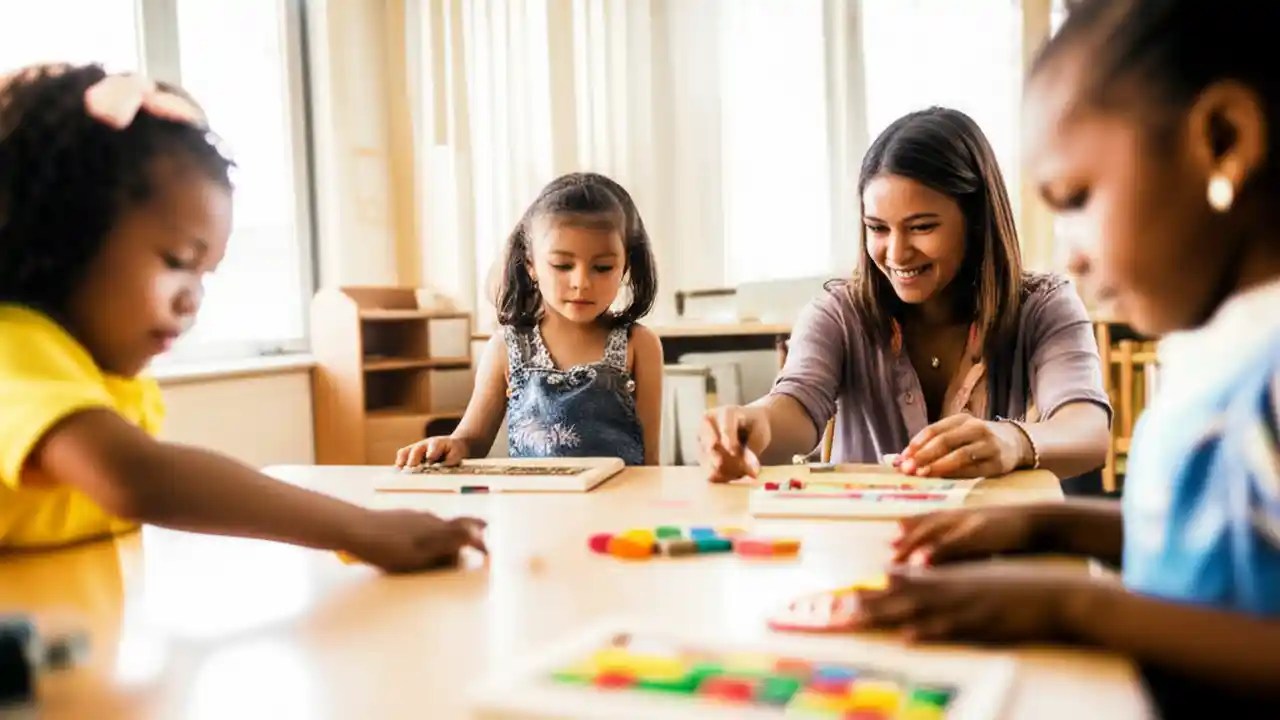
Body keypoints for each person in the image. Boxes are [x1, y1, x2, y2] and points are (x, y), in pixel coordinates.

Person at [854, 0, 1280, 712]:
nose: (1073, 251)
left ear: (1223, 138)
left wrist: (1077, 608)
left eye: (1078, 197)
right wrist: (1049, 524)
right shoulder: (1215, 340)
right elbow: (1216, 548)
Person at [0, 64, 484, 571]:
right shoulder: (15, 346)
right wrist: (361, 527)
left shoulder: (104, 380)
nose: (192, 302)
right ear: (70, 233)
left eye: (206, 276)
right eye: (177, 262)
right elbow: (138, 477)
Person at [700, 107, 1110, 490]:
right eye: (877, 228)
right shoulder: (839, 312)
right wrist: (756, 424)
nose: (895, 254)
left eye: (921, 227)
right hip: (865, 549)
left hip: (988, 545)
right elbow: (795, 406)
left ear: (977, 222)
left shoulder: (1044, 304)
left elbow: (1089, 430)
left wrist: (1013, 441)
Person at [396, 173, 663, 467]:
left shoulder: (639, 345)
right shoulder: (504, 348)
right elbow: (471, 440)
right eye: (562, 265)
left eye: (602, 267)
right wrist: (449, 445)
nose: (581, 282)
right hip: (533, 508)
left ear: (626, 266)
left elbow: (650, 460)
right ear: (531, 265)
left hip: (618, 507)